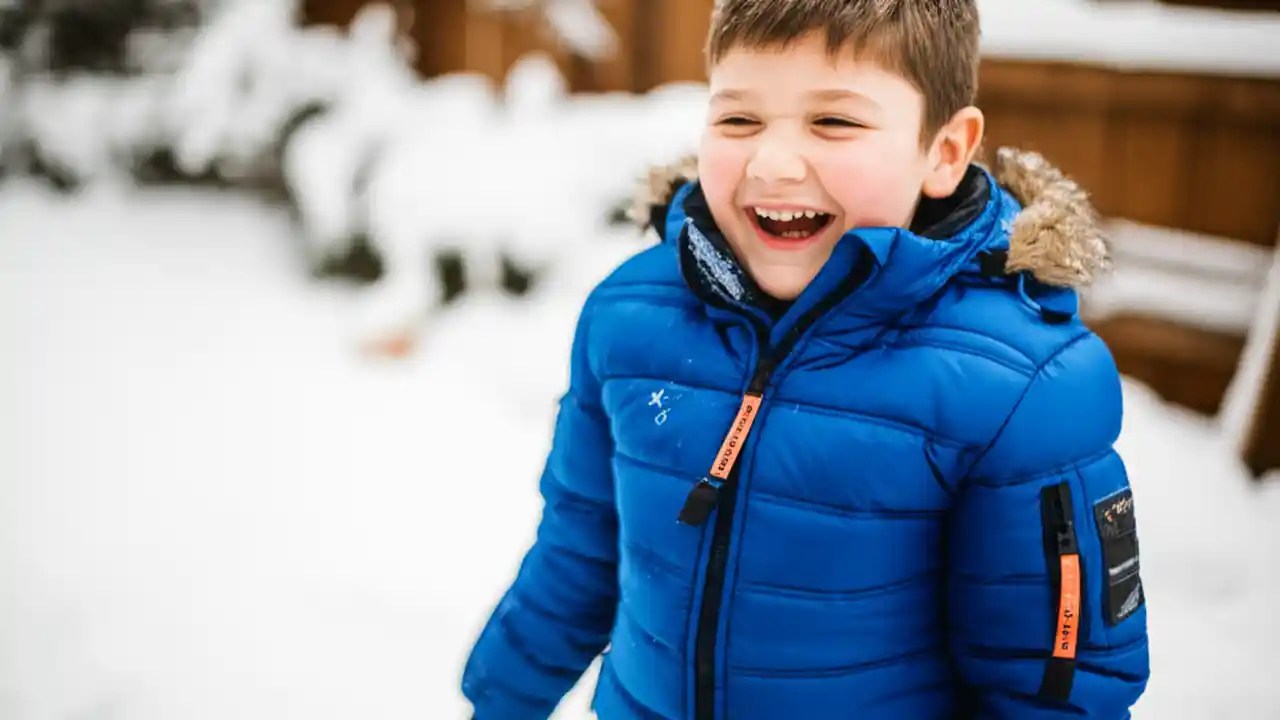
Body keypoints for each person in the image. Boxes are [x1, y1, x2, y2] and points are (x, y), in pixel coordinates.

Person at [462, 1, 1150, 717]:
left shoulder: (1018, 385)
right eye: (738, 120)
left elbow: (1053, 688)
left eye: (834, 122)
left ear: (944, 151)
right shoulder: (632, 319)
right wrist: (499, 702)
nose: (773, 161)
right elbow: (578, 555)